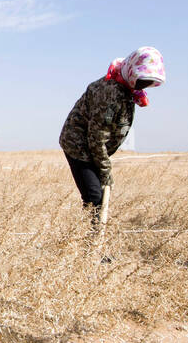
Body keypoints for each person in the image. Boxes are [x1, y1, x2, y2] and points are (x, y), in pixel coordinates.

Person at [59, 47, 165, 221]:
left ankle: (91, 234)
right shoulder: (110, 93)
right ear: (132, 70)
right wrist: (105, 170)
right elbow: (97, 136)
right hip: (78, 145)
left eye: (148, 82)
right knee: (94, 197)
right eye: (142, 80)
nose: (143, 85)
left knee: (96, 196)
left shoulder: (125, 88)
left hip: (94, 149)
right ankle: (91, 239)